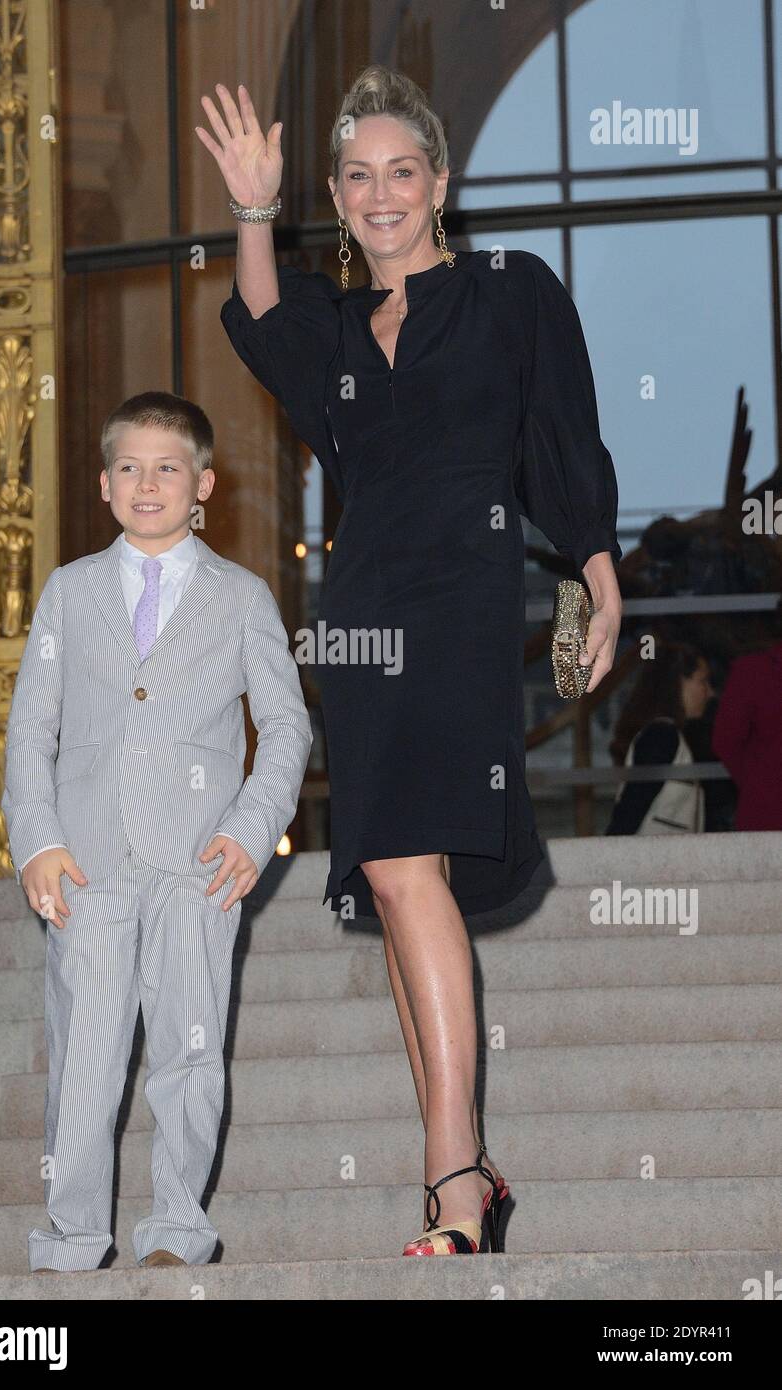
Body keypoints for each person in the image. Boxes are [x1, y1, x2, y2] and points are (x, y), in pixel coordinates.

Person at [199, 66, 622, 1256]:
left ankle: (455, 1183)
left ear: (439, 182)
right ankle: (464, 1164)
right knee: (394, 885)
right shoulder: (334, 326)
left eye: (400, 170)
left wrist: (595, 565)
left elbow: (559, 430)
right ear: (335, 199)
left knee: (397, 866)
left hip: (461, 598)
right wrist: (249, 208)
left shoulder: (506, 293)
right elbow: (263, 318)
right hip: (364, 614)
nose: (380, 193)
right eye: (356, 177)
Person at [1, 392, 312, 1271]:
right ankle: (70, 1237)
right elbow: (32, 728)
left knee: (188, 1048)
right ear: (104, 484)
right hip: (87, 860)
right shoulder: (70, 592)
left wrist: (253, 829)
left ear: (203, 483)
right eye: (130, 467)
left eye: (168, 468)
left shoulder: (242, 597)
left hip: (198, 861)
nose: (148, 483)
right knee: (86, 1058)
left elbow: (285, 727)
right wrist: (38, 838)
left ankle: (176, 1228)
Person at [606, 642, 712, 835]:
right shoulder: (662, 736)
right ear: (679, 683)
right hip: (653, 858)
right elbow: (632, 808)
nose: (708, 692)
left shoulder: (664, 735)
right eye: (702, 681)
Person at [712, 600, 782, 830]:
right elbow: (725, 741)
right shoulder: (753, 672)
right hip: (768, 816)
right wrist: (760, 781)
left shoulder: (752, 671)